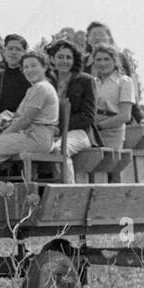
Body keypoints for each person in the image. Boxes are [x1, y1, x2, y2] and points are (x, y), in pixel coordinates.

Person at [0, 49, 60, 192]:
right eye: (26, 67)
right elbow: (16, 116)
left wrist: (2, 136)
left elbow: (26, 119)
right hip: (33, 136)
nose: (29, 70)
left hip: (35, 137)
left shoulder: (42, 88)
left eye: (33, 65)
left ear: (45, 67)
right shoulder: (34, 89)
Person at [47, 38, 102, 182]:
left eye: (68, 57)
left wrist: (60, 128)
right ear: (52, 59)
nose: (64, 61)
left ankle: (69, 192)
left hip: (80, 132)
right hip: (50, 131)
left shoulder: (85, 80)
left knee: (59, 150)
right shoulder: (47, 81)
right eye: (60, 57)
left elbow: (88, 116)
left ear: (74, 60)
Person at [90, 43, 134, 150]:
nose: (102, 63)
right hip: (92, 131)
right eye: (98, 60)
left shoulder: (124, 81)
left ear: (114, 61)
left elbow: (125, 116)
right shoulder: (92, 82)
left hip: (113, 132)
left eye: (106, 59)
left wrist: (99, 126)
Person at [0, 34, 30, 118]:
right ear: (4, 52)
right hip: (2, 124)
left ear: (24, 53)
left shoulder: (30, 75)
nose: (13, 52)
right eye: (10, 49)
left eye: (18, 49)